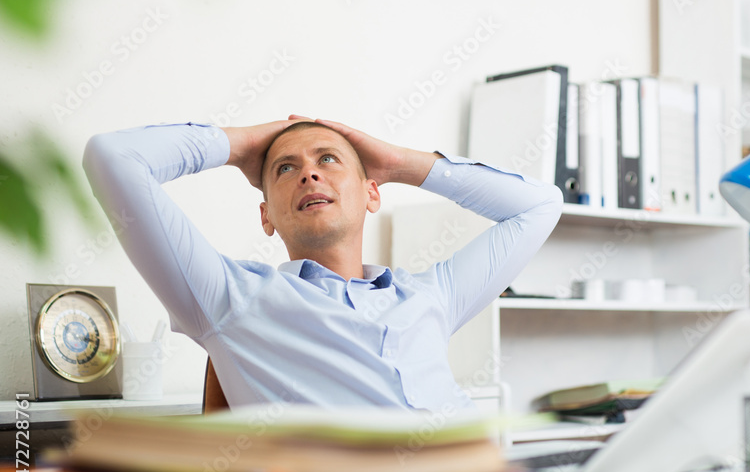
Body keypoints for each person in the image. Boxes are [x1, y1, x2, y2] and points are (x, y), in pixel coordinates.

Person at [83, 117, 563, 412]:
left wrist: (398, 162)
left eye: (328, 159)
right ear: (266, 215)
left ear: (372, 193)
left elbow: (541, 205)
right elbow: (113, 157)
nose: (309, 173)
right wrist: (242, 144)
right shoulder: (230, 298)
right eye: (285, 168)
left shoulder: (433, 294)